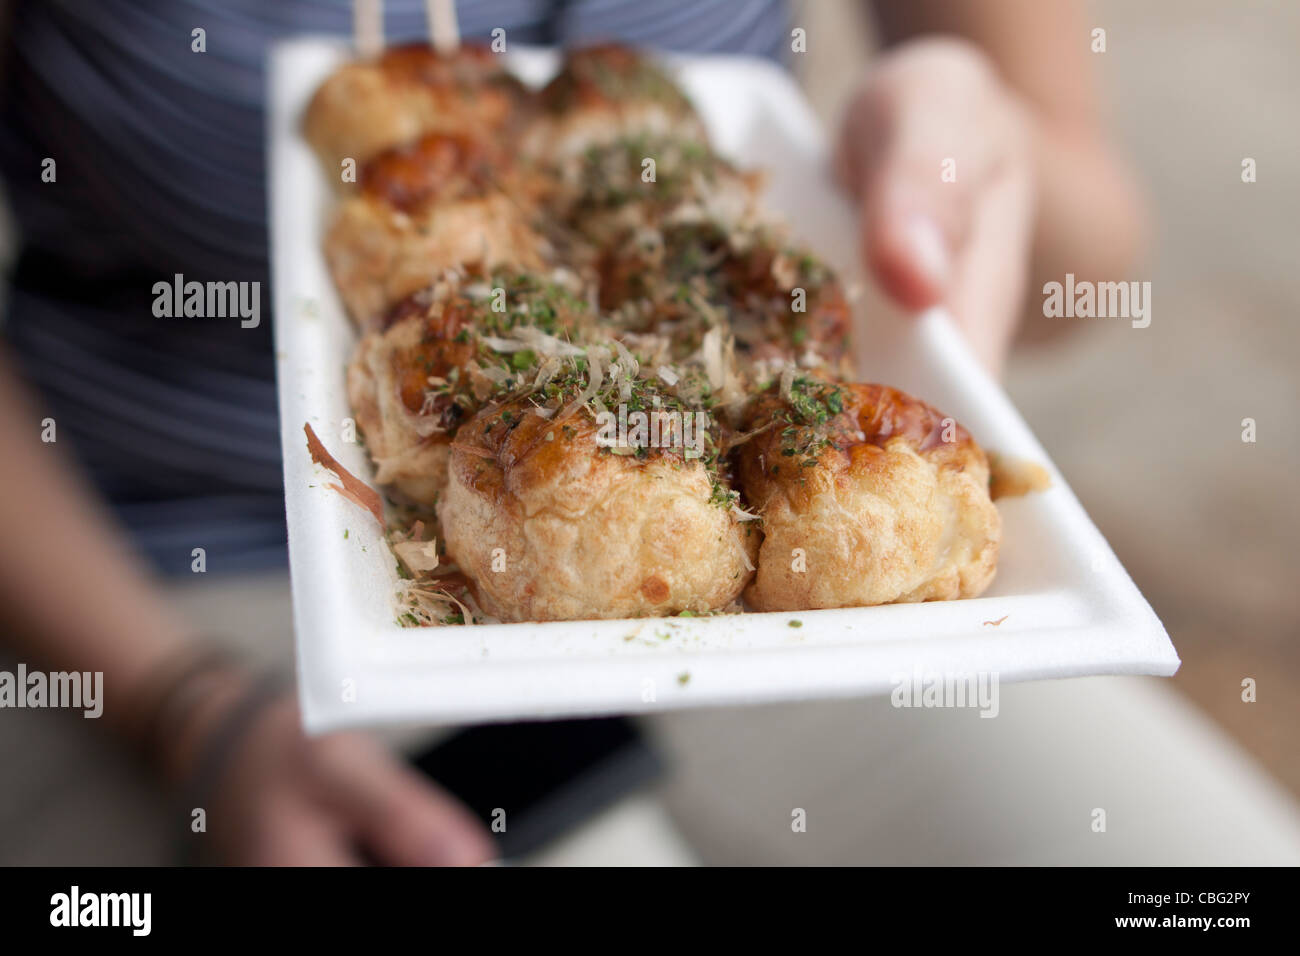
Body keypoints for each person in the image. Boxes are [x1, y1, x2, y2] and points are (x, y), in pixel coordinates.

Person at [0, 1, 1144, 865]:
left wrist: (991, 132)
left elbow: (1088, 253)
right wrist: (179, 704)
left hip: (861, 649)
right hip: (147, 584)